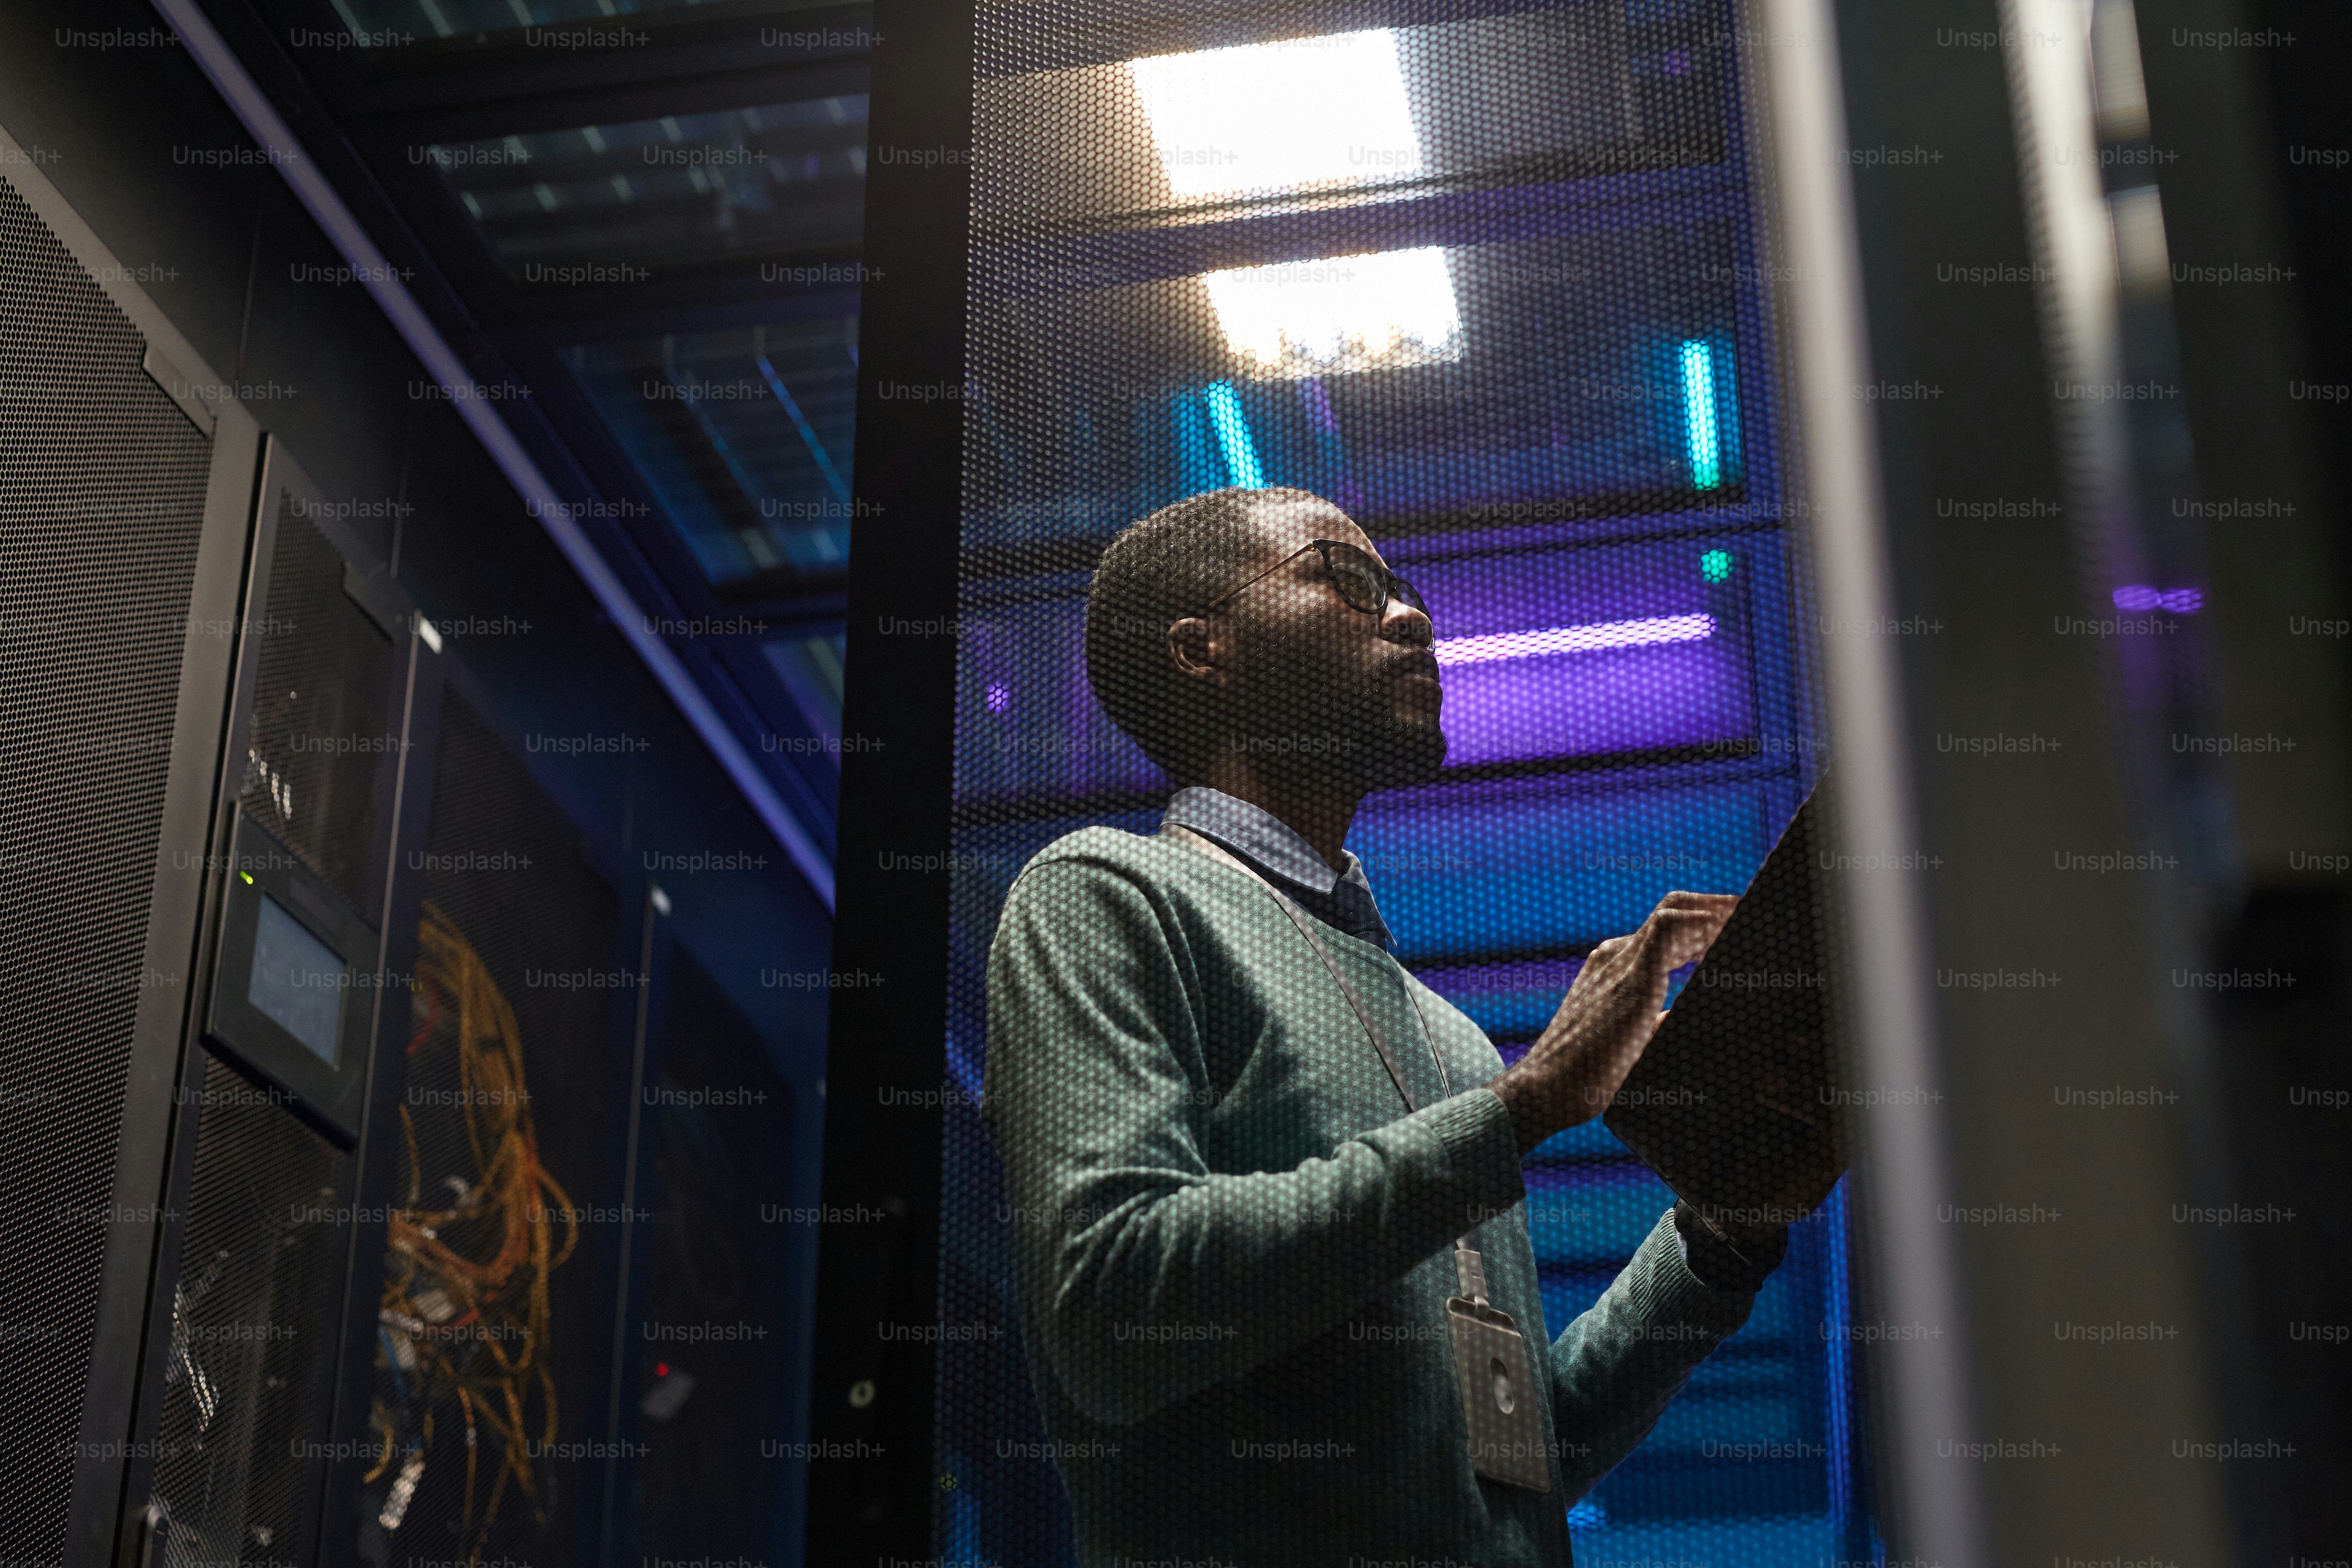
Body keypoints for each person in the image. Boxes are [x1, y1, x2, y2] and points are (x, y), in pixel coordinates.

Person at [982, 485, 1788, 1567]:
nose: (1410, 617)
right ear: (1201, 649)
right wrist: (1523, 1109)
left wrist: (1713, 1242)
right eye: (1347, 581)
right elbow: (1116, 1310)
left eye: (1404, 592)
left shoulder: (1448, 1034)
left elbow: (1517, 1458)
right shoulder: (1104, 892)